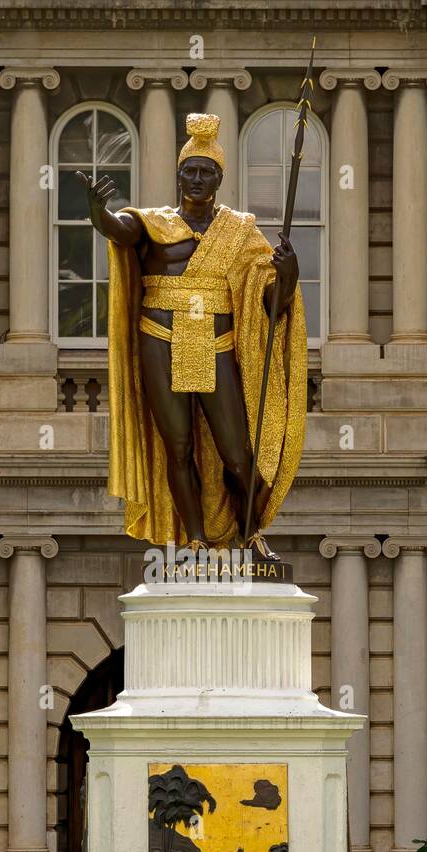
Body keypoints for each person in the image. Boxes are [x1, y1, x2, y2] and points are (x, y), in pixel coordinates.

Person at [78, 112, 307, 551]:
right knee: (178, 446)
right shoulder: (153, 222)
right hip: (159, 341)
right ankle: (196, 540)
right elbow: (121, 232)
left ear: (219, 178)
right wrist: (97, 214)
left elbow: (270, 305)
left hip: (216, 345)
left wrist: (289, 275)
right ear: (179, 175)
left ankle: (249, 533)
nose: (197, 179)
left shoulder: (240, 231)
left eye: (206, 172)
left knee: (239, 456)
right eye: (190, 171)